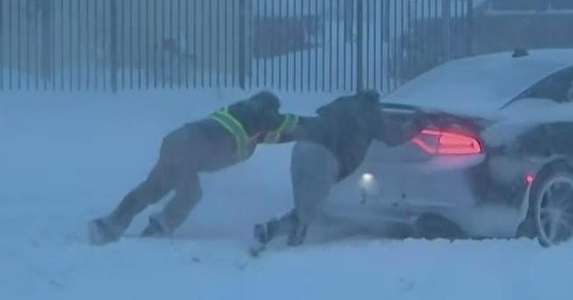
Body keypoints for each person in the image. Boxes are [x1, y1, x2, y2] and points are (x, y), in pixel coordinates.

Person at [88, 90, 302, 245]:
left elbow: (280, 133)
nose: (273, 117)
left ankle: (109, 226)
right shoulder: (248, 111)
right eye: (273, 112)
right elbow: (276, 121)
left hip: (178, 142)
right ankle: (157, 231)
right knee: (190, 194)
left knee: (154, 188)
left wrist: (314, 132)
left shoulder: (252, 129)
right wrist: (308, 122)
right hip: (187, 146)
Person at [251, 90, 409, 250]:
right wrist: (420, 121)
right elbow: (395, 136)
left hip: (301, 148)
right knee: (307, 211)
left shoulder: (339, 106)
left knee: (305, 205)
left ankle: (293, 240)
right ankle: (272, 232)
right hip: (324, 156)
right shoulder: (369, 114)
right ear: (373, 104)